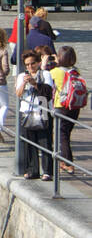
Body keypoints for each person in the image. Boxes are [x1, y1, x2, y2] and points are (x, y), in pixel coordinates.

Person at [15, 49, 55, 180]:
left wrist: (34, 83)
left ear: (38, 63)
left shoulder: (45, 74)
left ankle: (47, 171)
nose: (30, 67)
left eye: (32, 63)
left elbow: (48, 92)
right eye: (27, 65)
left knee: (45, 141)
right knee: (29, 142)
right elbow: (18, 94)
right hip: (27, 110)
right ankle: (32, 170)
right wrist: (24, 83)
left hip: (42, 109)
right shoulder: (22, 76)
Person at [50, 46, 83, 175]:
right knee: (66, 134)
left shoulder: (56, 71)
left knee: (62, 135)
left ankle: (68, 163)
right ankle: (64, 161)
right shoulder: (76, 71)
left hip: (61, 106)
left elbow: (43, 77)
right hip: (74, 107)